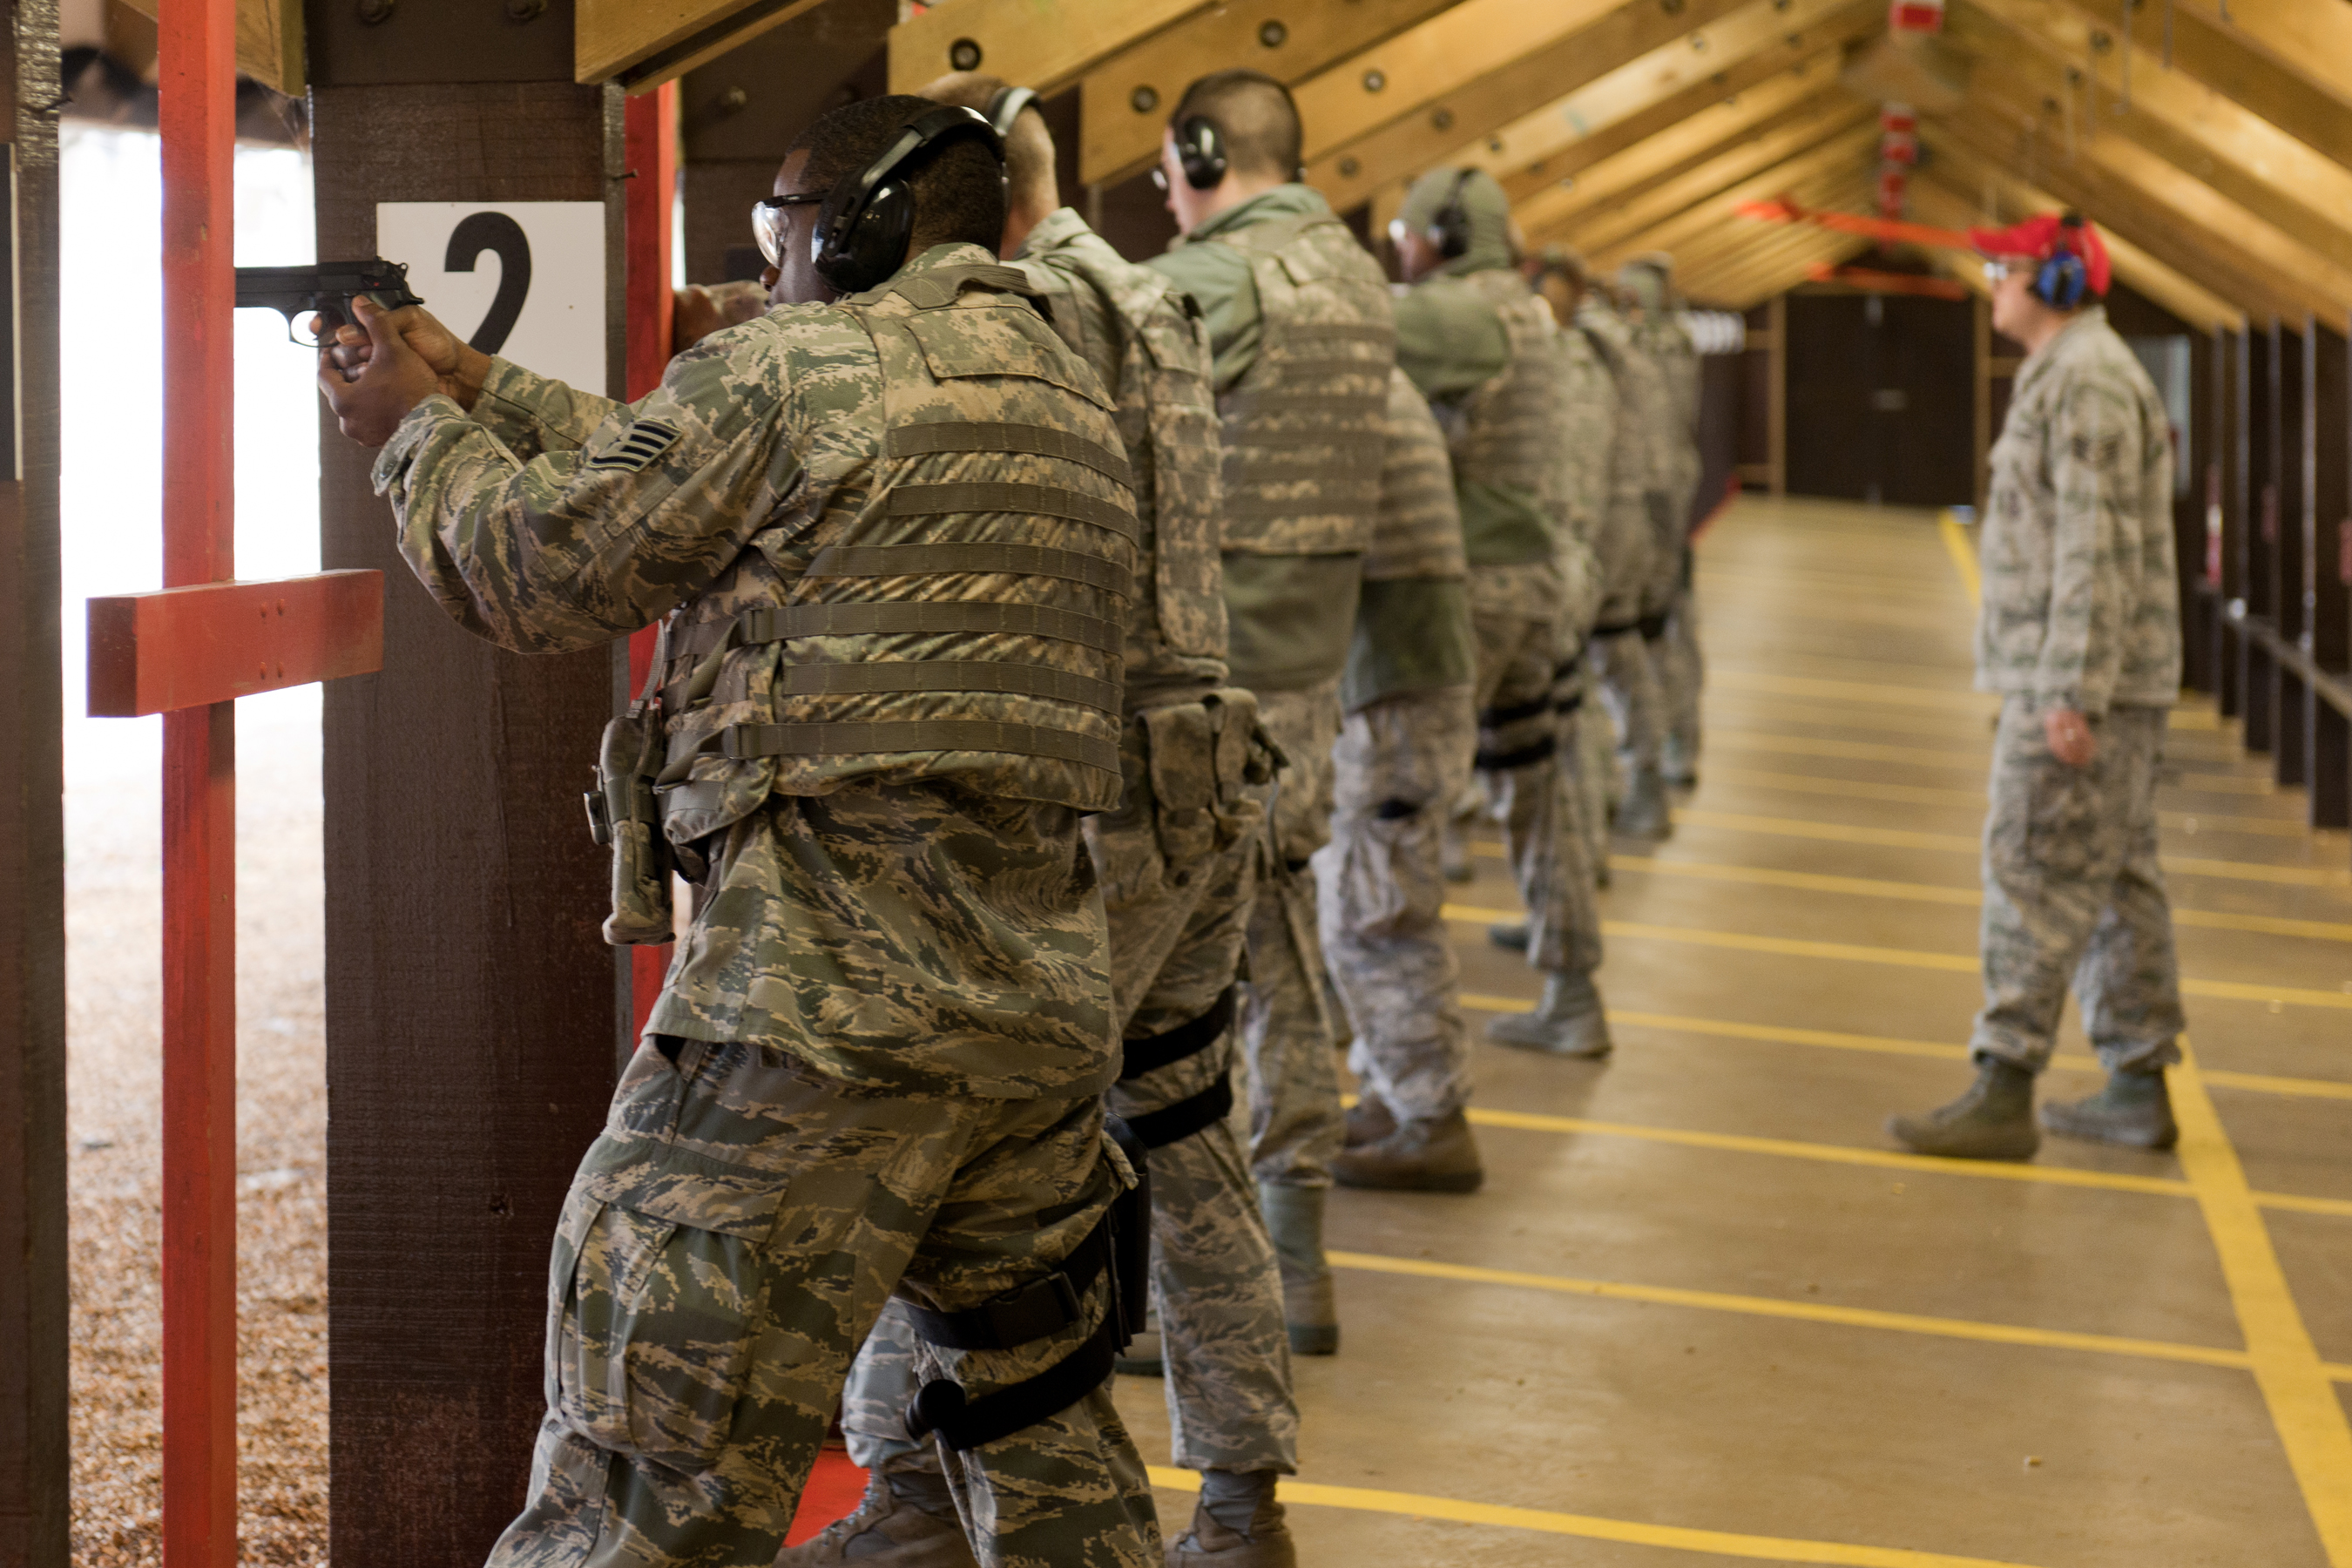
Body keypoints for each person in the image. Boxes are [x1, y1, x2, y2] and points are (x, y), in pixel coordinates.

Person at [319, 97, 1166, 1568]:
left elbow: (541, 564)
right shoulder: (1065, 391)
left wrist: (410, 439)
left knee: (640, 1447)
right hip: (1031, 1019)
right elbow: (705, 482)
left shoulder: (795, 365)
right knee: (1038, 1430)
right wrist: (481, 389)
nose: (771, 266)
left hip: (820, 1012)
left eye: (782, 232)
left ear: (852, 229)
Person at [792, 74, 1303, 1568]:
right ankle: (1243, 1495)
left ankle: (909, 1492)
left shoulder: (1027, 317)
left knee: (959, 1133)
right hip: (1204, 763)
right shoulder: (1146, 297)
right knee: (1192, 1128)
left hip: (1097, 791)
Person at [1143, 68, 1397, 1357]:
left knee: (1161, 997)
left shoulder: (1230, 280)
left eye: (1162, 176)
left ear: (1199, 153)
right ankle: (1296, 1256)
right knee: (1286, 955)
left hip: (1206, 695)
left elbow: (1087, 350)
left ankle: (1168, 1288)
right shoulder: (1352, 274)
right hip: (1308, 688)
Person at [1888, 213, 2186, 1161]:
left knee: (2030, 865)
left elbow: (2095, 550)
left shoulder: (2088, 380)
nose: (1991, 285)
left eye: (2004, 269)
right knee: (2115, 882)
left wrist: (2069, 690)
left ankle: (2003, 1084)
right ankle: (2136, 1083)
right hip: (2103, 682)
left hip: (2079, 686)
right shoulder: (2069, 374)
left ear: (2056, 283)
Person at [1387, 166, 1612, 1064]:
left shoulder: (1460, 313)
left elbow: (1336, 333)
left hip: (1468, 587)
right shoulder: (1525, 309)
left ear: (1442, 236)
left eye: (1408, 233)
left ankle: (1360, 1015)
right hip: (1536, 582)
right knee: (1536, 789)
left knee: (1391, 803)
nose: (1401, 247)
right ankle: (1572, 992)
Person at [1323, 368, 1483, 1188]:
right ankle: (1395, 1093)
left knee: (1375, 913)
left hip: (1394, 692)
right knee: (1369, 902)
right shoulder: (1380, 385)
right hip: (1402, 683)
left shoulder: (1349, 394)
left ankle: (1431, 1117)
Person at [1529, 247, 1623, 882]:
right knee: (1576, 709)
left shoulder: (1549, 364)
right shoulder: (1596, 362)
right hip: (1583, 553)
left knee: (1547, 728)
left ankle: (1571, 875)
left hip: (1549, 556)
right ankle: (1588, 852)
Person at [1578, 278, 1677, 841]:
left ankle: (1617, 794)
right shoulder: (1634, 354)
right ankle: (1639, 784)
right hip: (1634, 520)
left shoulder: (1593, 350)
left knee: (1590, 672)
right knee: (1622, 660)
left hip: (1604, 527)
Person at [1619, 253, 1706, 790]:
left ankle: (1674, 745)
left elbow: (1659, 449)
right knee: (1658, 641)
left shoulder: (1663, 347)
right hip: (1656, 512)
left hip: (1659, 517)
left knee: (1664, 637)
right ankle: (1670, 744)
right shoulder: (1663, 343)